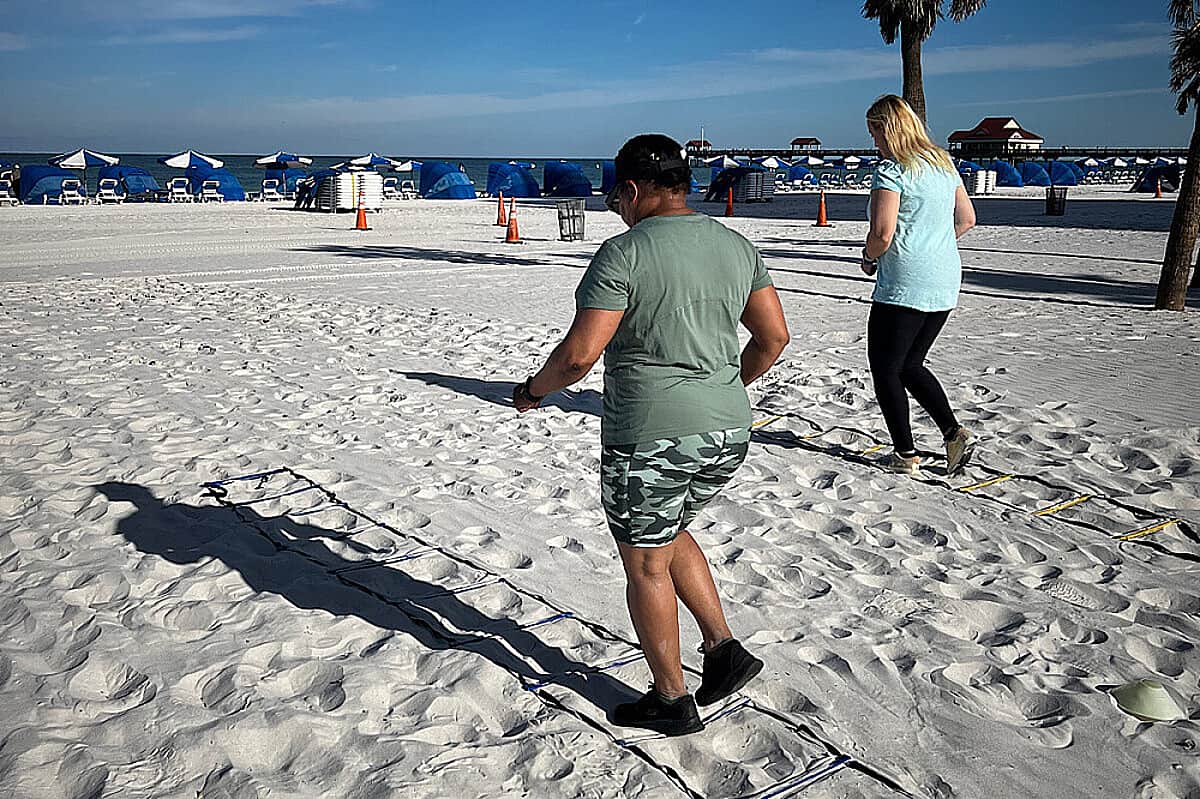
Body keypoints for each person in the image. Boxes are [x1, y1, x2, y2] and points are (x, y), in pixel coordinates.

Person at [512, 134, 789, 736]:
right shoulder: (735, 245)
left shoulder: (623, 253)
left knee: (643, 564)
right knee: (671, 529)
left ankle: (671, 697)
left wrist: (533, 391)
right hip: (728, 432)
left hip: (650, 435)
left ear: (633, 189)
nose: (615, 205)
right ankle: (723, 652)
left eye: (617, 194)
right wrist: (723, 386)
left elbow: (580, 357)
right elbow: (774, 339)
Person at [861, 94, 977, 476]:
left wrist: (869, 257)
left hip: (905, 282)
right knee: (910, 363)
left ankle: (905, 453)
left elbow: (882, 232)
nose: (874, 143)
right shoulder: (944, 164)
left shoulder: (892, 170)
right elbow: (967, 219)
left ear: (888, 129)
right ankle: (952, 432)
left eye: (875, 134)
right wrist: (935, 244)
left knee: (885, 368)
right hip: (944, 277)